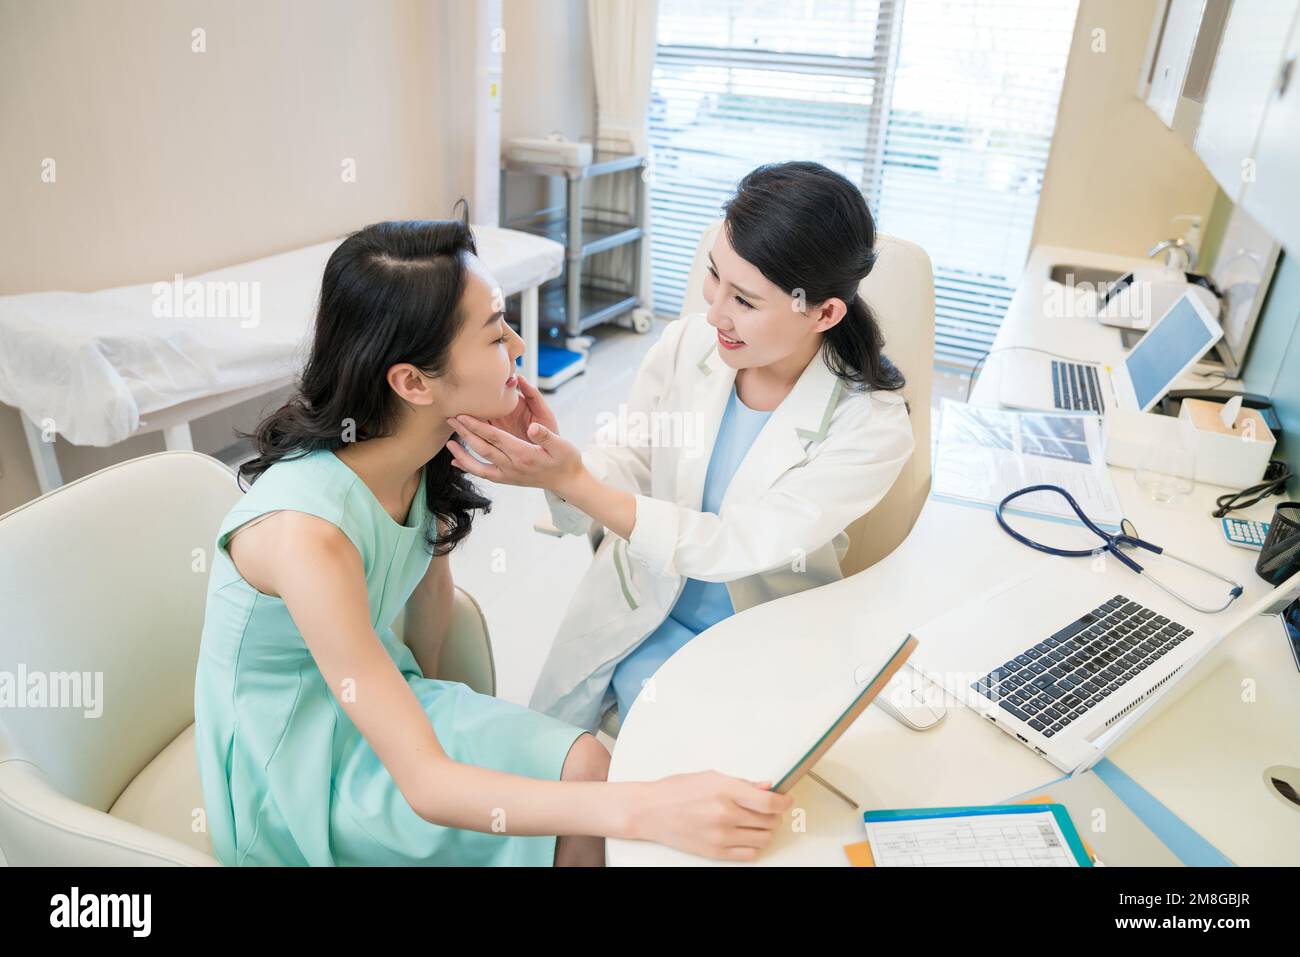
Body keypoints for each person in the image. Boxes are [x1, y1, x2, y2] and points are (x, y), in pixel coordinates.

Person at [193, 212, 791, 867]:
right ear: (412, 381)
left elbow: (429, 613)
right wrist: (645, 802)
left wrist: (465, 727)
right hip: (296, 774)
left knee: (587, 760)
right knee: (604, 800)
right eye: (493, 334)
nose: (518, 346)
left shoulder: (414, 456)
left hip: (386, 711)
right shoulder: (307, 535)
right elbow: (424, 784)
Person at [445, 161, 915, 732]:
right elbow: (631, 459)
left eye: (745, 300)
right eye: (714, 275)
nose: (714, 311)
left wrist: (577, 484)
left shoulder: (871, 425)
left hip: (756, 644)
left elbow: (739, 545)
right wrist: (556, 461)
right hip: (636, 611)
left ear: (825, 312)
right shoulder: (687, 345)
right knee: (562, 766)